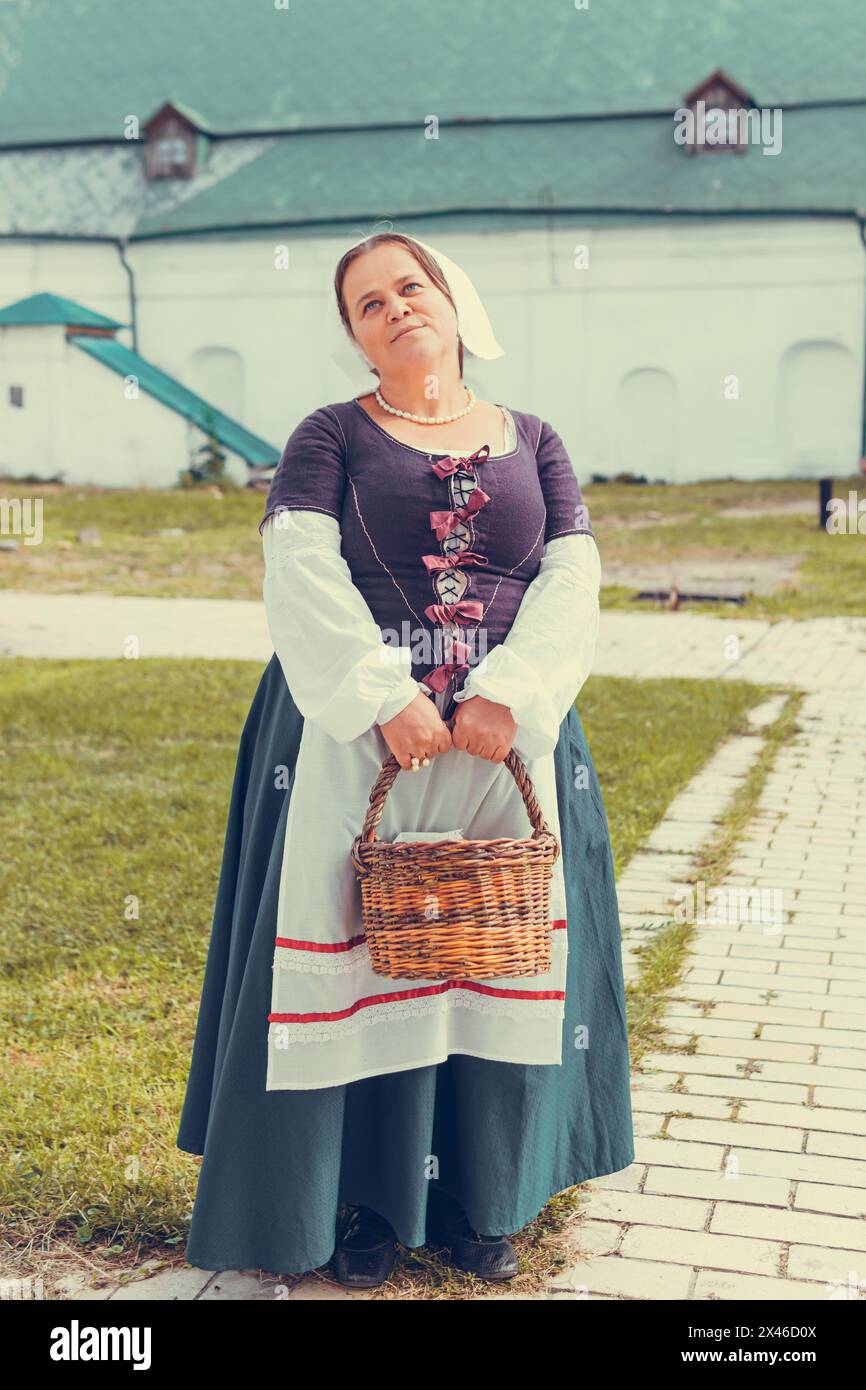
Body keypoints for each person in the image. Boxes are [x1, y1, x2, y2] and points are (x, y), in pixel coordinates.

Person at [176, 231, 635, 1289]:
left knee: (490, 952)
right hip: (354, 736)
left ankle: (481, 1200)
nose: (394, 309)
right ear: (355, 335)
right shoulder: (328, 436)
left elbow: (572, 574)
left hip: (502, 741)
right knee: (358, 957)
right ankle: (357, 1198)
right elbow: (297, 564)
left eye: (408, 287)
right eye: (366, 304)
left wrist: (508, 695)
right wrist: (383, 698)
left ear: (450, 299)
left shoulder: (537, 438)